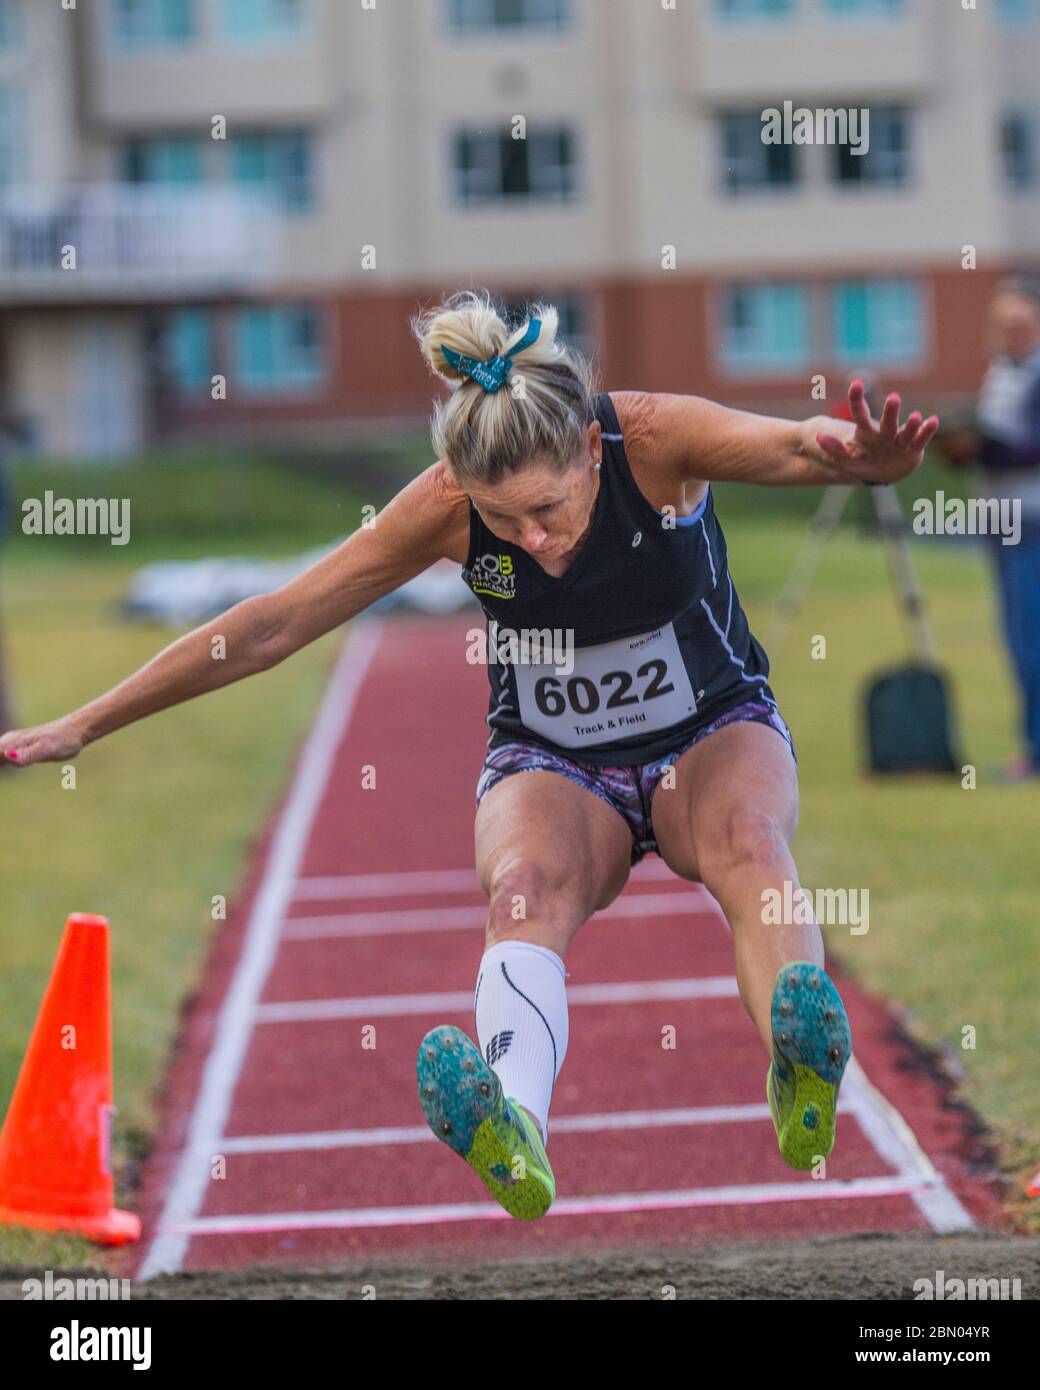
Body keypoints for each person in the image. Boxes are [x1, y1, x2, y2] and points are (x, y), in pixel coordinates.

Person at [0, 291, 938, 1219]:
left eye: (545, 509)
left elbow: (797, 443)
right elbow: (272, 625)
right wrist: (88, 720)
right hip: (555, 757)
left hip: (709, 727)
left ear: (586, 449)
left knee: (749, 841)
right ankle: (515, 1130)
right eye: (504, 522)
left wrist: (867, 464)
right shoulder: (448, 504)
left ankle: (799, 1075)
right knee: (524, 889)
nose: (532, 542)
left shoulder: (654, 438)